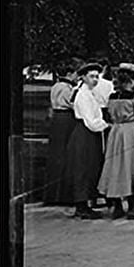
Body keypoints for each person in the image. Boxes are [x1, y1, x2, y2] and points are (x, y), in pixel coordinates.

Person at [97, 64, 134, 219]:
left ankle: (117, 206)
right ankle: (132, 207)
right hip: (131, 132)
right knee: (132, 167)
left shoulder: (112, 97)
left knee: (115, 167)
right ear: (132, 80)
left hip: (115, 132)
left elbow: (109, 115)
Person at [64, 62, 111, 218]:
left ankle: (86, 203)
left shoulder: (90, 93)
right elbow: (91, 121)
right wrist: (106, 125)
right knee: (82, 167)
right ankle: (81, 205)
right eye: (91, 76)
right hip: (84, 133)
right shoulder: (83, 95)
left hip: (91, 134)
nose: (95, 80)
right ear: (83, 77)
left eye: (97, 76)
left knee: (90, 166)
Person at [43, 61, 80, 206]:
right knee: (66, 154)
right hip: (66, 119)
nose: (77, 76)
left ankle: (53, 193)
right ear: (70, 74)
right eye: (75, 74)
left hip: (56, 120)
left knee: (56, 154)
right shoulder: (67, 89)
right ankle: (64, 194)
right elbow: (71, 104)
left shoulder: (55, 86)